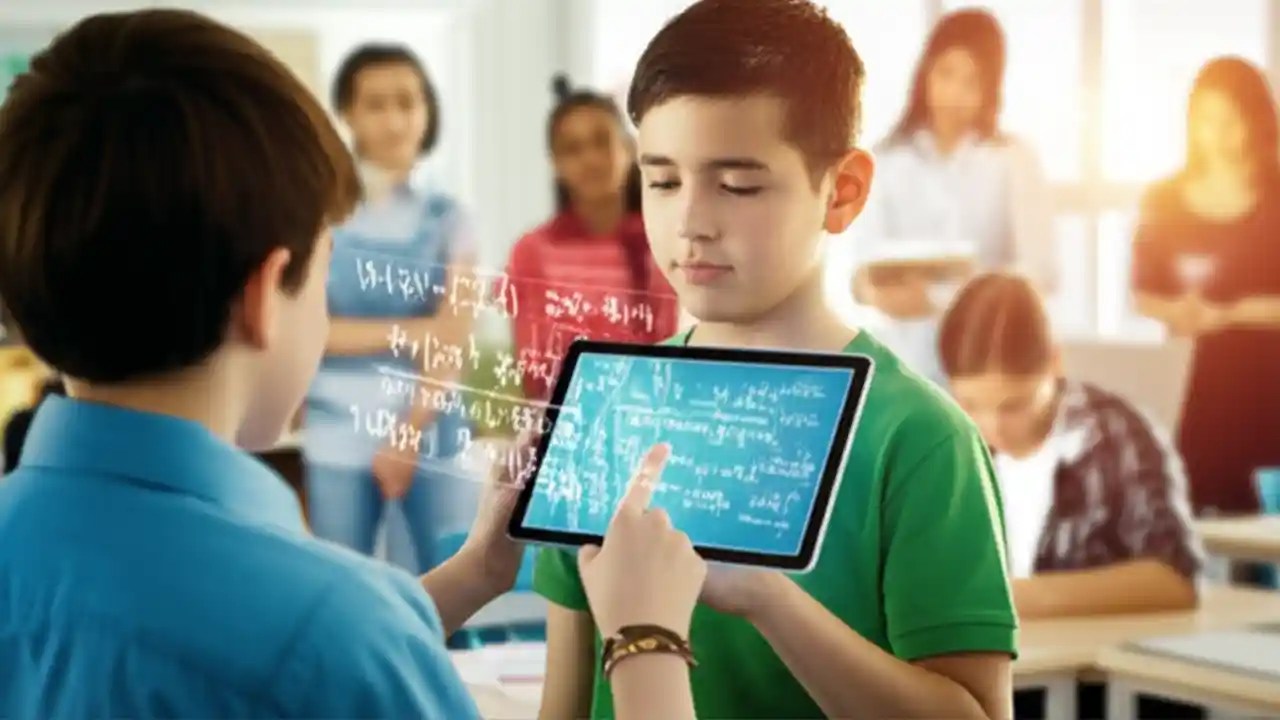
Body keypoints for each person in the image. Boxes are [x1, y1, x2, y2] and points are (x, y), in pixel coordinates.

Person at [0, 10, 705, 717]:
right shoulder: (336, 639)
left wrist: (474, 574)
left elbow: (329, 645)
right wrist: (646, 638)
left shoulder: (337, 634)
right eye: (324, 270)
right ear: (263, 298)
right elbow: (335, 653)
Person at [535, 2, 1016, 719]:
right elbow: (565, 706)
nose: (691, 221)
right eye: (662, 181)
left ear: (843, 191)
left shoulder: (919, 439)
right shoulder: (606, 404)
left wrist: (766, 597)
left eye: (737, 185)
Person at [939, 272, 1203, 620]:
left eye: (1014, 405)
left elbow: (1174, 580)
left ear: (1055, 362)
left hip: (1073, 663)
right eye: (971, 405)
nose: (992, 427)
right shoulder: (943, 438)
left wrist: (1011, 597)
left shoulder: (1115, 436)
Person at [303, 44, 472, 573]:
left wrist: (407, 433)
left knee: (450, 582)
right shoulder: (317, 214)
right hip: (335, 432)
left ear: (427, 111)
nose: (394, 120)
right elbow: (312, 331)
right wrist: (416, 329)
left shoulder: (451, 217)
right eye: (375, 104)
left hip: (435, 428)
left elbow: (455, 334)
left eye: (407, 102)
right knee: (344, 585)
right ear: (347, 113)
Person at [842, 8, 1053, 386]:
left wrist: (943, 299)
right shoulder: (886, 159)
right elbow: (859, 269)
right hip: (902, 360)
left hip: (987, 363)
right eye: (945, 73)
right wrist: (875, 293)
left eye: (972, 81)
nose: (954, 92)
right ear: (925, 74)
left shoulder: (1012, 159)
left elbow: (1041, 273)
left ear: (991, 89)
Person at [1132, 56, 1280, 521]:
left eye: (1232, 119)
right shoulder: (1163, 198)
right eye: (1208, 120)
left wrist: (1230, 314)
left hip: (1265, 386)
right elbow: (1141, 292)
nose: (1220, 133)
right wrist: (1178, 311)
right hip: (1192, 390)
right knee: (1195, 525)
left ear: (1256, 120)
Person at [505, 76, 680, 401]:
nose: (590, 159)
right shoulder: (532, 252)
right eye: (573, 149)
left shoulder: (666, 240)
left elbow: (671, 352)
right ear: (555, 164)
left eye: (602, 141)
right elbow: (535, 372)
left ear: (629, 149)